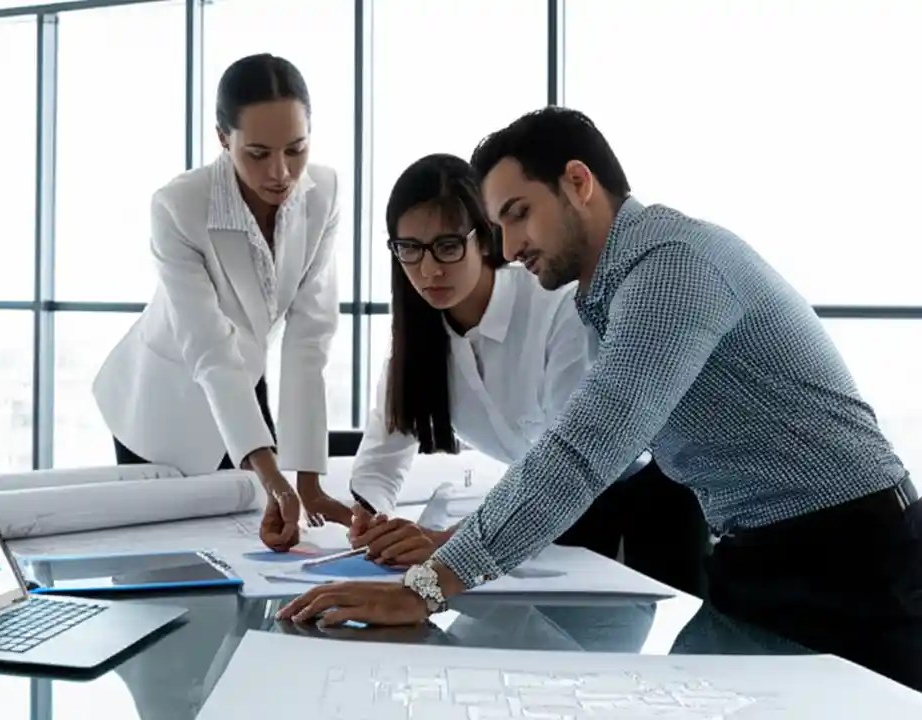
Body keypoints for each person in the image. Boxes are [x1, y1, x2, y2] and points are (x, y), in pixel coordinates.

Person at [278, 106, 922, 691]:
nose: (507, 248)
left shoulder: (670, 267)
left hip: (855, 556)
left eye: (518, 214)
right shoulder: (606, 293)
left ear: (578, 183)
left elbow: (585, 448)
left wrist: (429, 585)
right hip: (754, 553)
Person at [300, 153, 708, 595]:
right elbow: (385, 453)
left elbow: (566, 456)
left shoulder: (555, 305)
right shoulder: (418, 342)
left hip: (640, 494)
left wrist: (446, 543)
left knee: (670, 646)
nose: (429, 269)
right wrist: (370, 515)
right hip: (543, 502)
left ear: (485, 238)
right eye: (410, 250)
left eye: (449, 246)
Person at [93, 54, 340, 553]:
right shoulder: (178, 206)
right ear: (223, 138)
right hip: (163, 405)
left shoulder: (324, 194)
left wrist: (308, 479)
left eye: (297, 149)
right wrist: (274, 476)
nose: (281, 172)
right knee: (168, 566)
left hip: (244, 390)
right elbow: (209, 347)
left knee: (252, 554)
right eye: (257, 153)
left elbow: (309, 337)